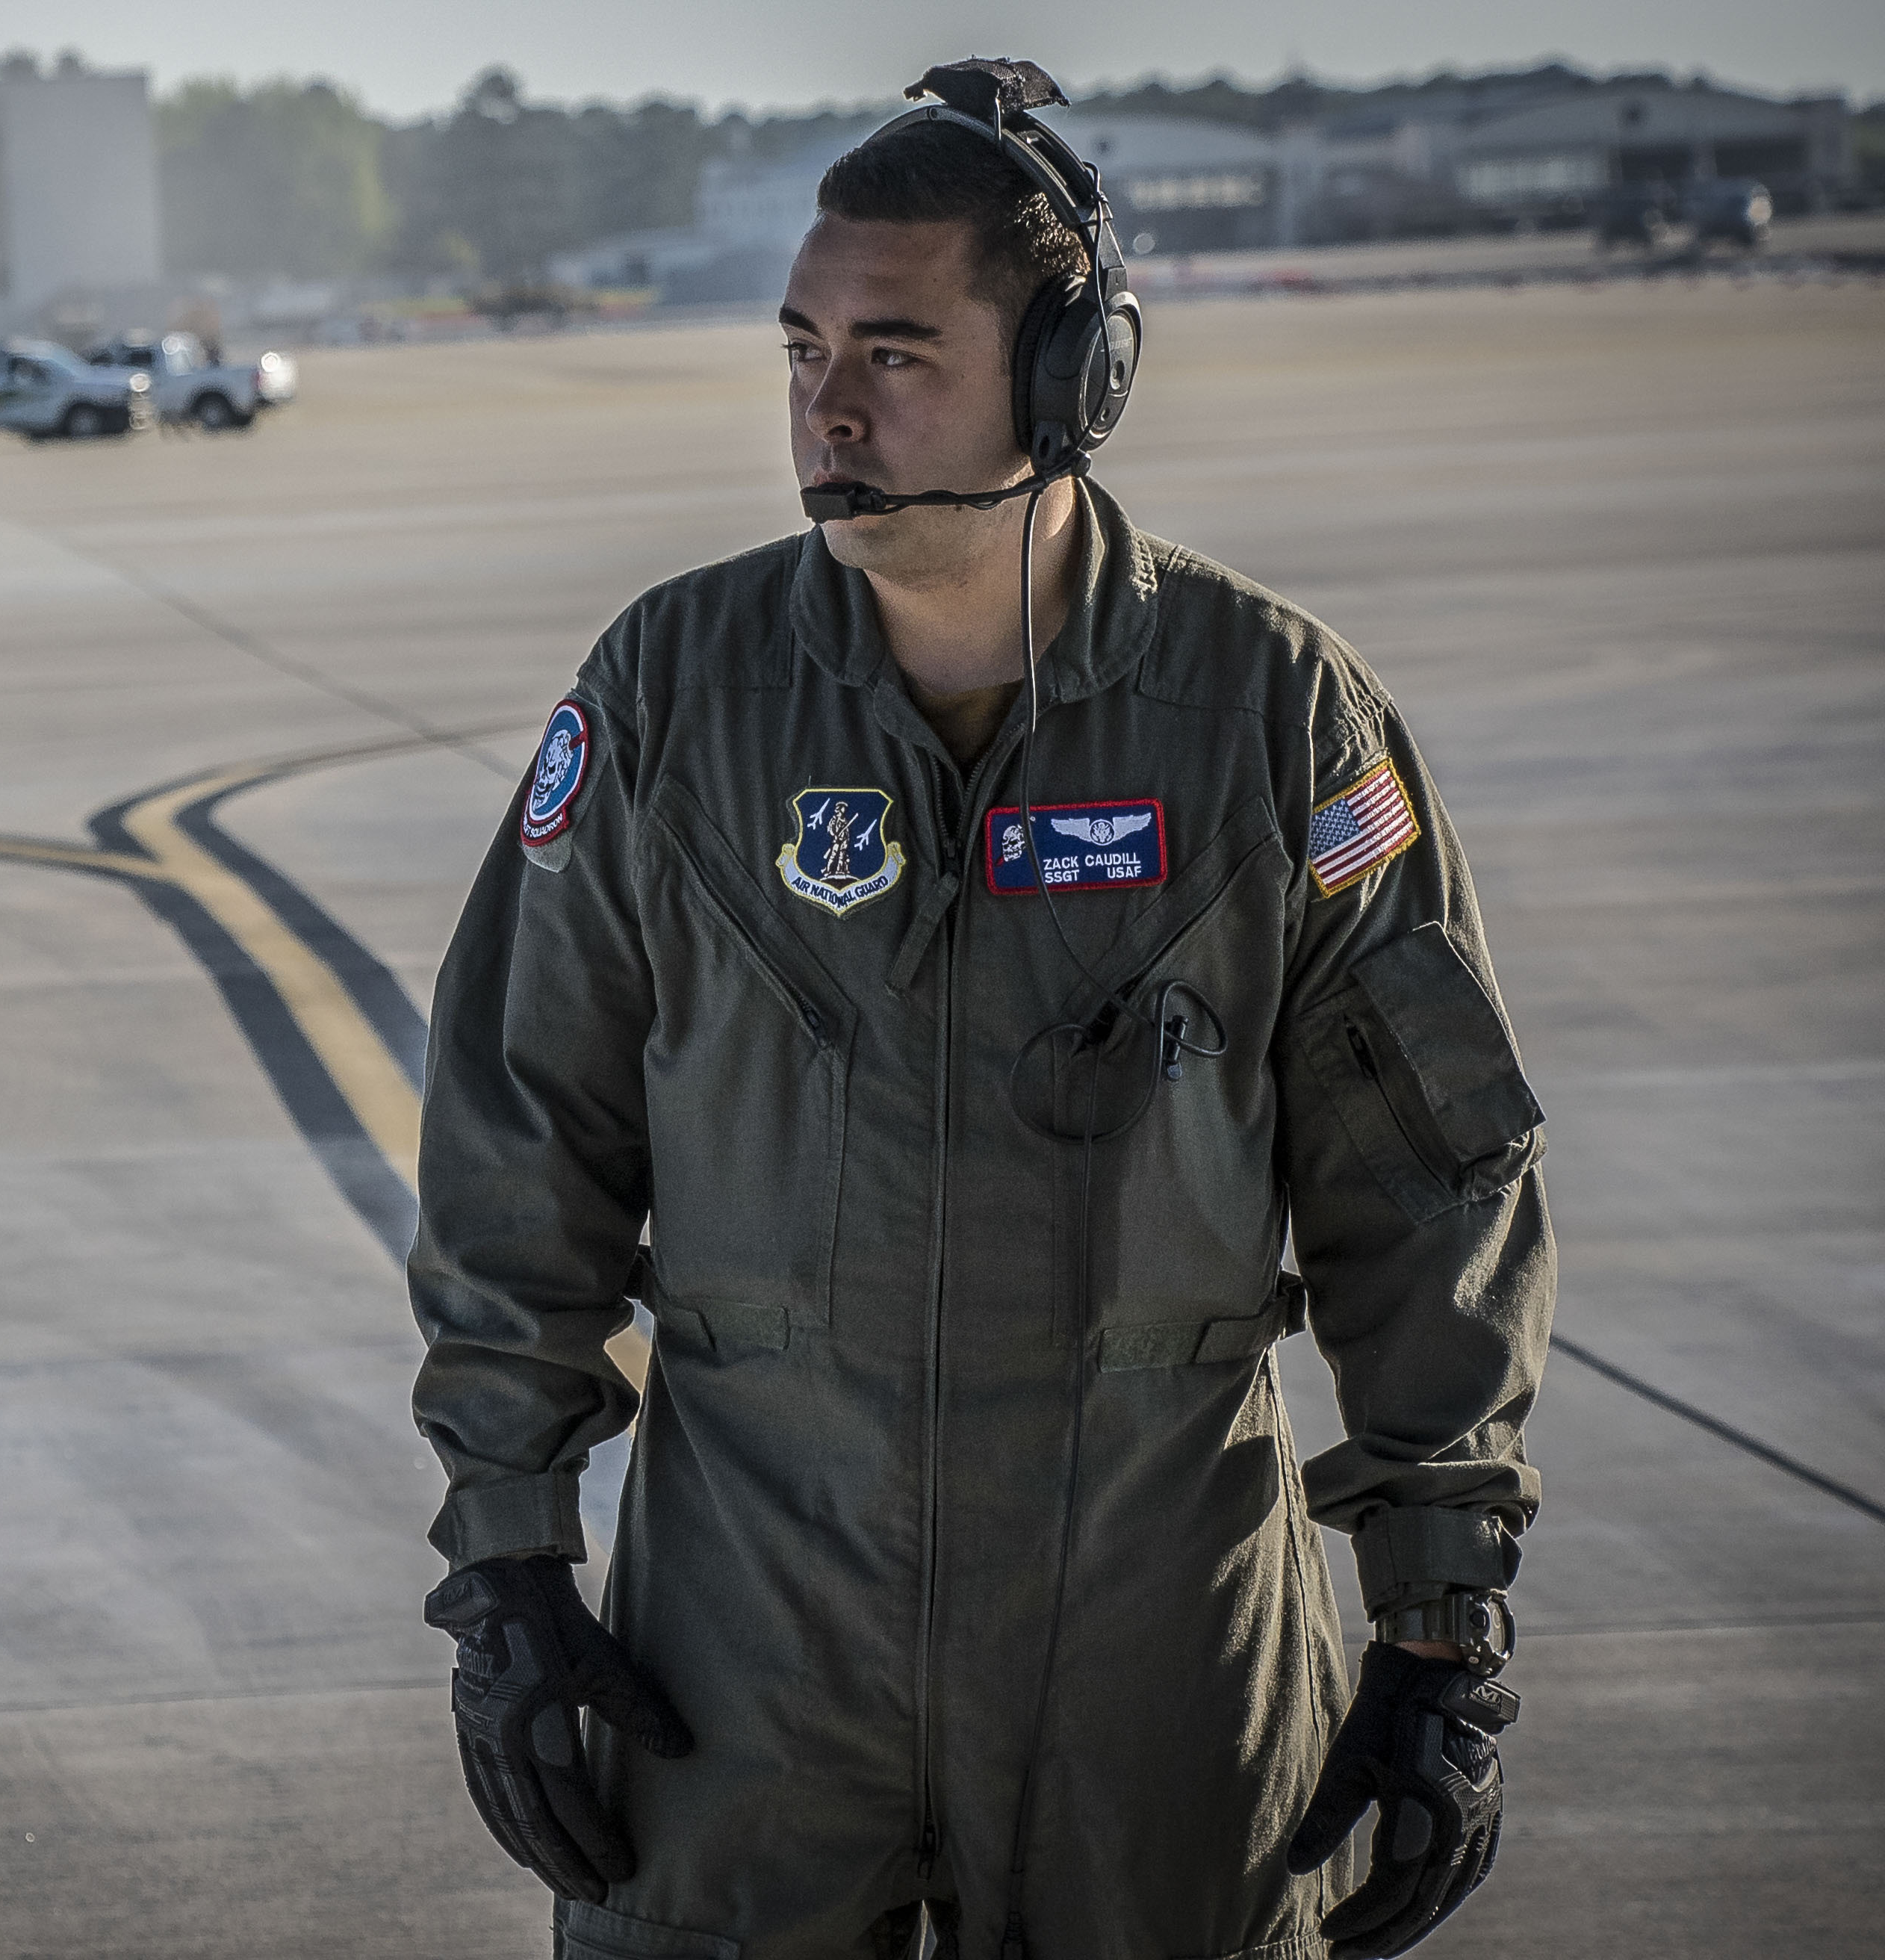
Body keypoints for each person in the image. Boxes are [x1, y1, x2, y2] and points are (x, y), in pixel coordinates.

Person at [409, 58, 1552, 1960]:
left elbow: (1430, 1195)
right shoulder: (675, 694)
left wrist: (1444, 1628)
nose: (827, 408)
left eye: (896, 351)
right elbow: (518, 1138)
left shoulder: (1272, 717)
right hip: (748, 1661)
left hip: (1155, 1661)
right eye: (799, 351)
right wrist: (507, 1566)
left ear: (1069, 381)